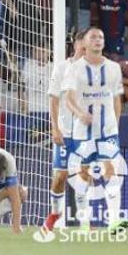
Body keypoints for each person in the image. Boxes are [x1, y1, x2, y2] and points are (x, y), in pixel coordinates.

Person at [62, 27, 128, 234]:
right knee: (83, 174)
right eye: (93, 37)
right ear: (85, 43)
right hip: (82, 130)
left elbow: (117, 98)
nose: (98, 40)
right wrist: (79, 113)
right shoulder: (74, 68)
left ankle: (114, 221)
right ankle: (84, 223)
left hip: (107, 130)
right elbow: (69, 98)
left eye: (101, 36)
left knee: (111, 171)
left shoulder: (114, 68)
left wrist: (115, 125)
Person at [40, 30, 87, 233]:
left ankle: (85, 221)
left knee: (83, 174)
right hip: (65, 131)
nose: (86, 47)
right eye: (82, 43)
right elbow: (53, 99)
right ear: (75, 44)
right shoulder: (62, 68)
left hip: (85, 132)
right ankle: (55, 214)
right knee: (60, 176)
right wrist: (55, 128)